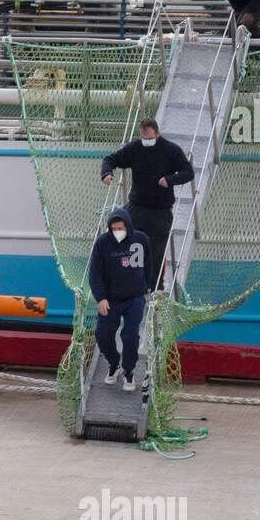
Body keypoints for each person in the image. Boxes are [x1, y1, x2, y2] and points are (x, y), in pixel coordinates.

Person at [100, 118, 193, 291]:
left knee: (157, 251)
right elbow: (110, 159)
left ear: (158, 134)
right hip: (138, 206)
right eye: (144, 138)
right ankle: (127, 283)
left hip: (160, 210)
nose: (146, 141)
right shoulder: (135, 148)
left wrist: (170, 180)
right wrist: (107, 173)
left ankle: (155, 288)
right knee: (128, 244)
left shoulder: (170, 150)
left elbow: (188, 172)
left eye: (149, 138)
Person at [88, 208, 150, 392]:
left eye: (120, 228)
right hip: (110, 299)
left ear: (128, 226)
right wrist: (100, 298)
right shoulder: (102, 243)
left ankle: (129, 371)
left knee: (130, 335)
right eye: (113, 228)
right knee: (103, 335)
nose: (117, 231)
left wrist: (151, 288)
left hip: (135, 297)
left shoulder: (140, 240)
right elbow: (95, 273)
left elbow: (148, 266)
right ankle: (114, 363)